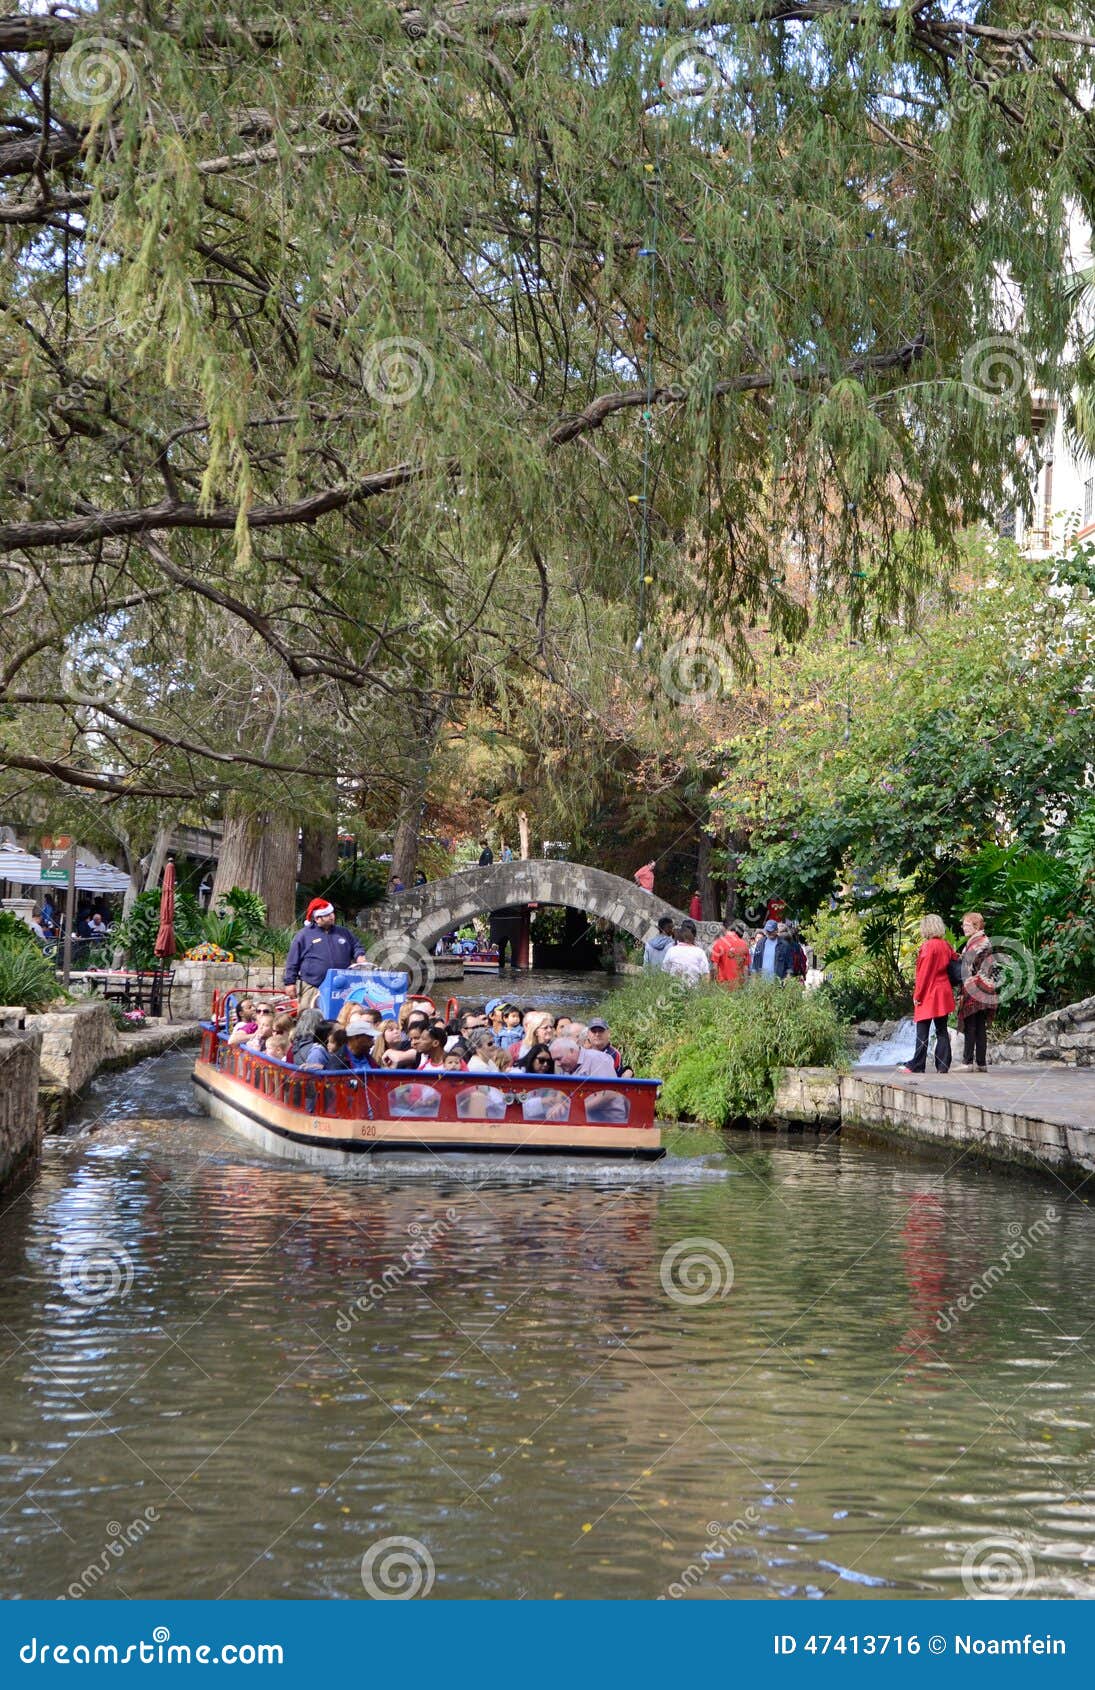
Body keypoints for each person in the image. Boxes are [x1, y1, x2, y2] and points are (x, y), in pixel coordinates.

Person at [283, 899, 366, 1010]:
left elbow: (356, 945)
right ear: (317, 918)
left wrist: (360, 956)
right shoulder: (303, 935)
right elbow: (292, 960)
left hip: (341, 986)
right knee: (309, 1017)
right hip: (312, 986)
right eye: (327, 915)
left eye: (332, 913)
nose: (332, 916)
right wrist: (290, 982)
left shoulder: (344, 932)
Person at [903, 915, 957, 1076]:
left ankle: (918, 1064)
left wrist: (917, 995)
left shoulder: (928, 946)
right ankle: (943, 1065)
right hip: (943, 991)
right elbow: (954, 960)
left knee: (922, 1029)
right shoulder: (945, 945)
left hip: (929, 992)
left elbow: (924, 974)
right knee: (941, 1029)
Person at [956, 911, 998, 1072]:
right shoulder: (982, 941)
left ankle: (967, 1063)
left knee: (971, 1025)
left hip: (976, 988)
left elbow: (968, 967)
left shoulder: (977, 943)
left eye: (966, 925)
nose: (963, 928)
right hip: (985, 987)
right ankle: (981, 1063)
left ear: (976, 926)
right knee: (980, 1026)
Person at [662, 920, 711, 987]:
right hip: (694, 990)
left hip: (674, 989)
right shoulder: (700, 951)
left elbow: (665, 972)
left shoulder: (671, 949)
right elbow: (705, 974)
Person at [549, 1035, 617, 1079]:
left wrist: (579, 1102)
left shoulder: (597, 1059)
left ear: (571, 1051)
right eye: (554, 1060)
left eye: (559, 1059)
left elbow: (609, 1092)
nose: (558, 1064)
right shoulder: (565, 1067)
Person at [710, 918, 751, 988]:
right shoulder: (744, 944)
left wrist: (713, 984)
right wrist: (745, 986)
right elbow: (746, 968)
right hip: (739, 987)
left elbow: (714, 967)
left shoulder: (718, 944)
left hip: (723, 987)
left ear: (723, 927)